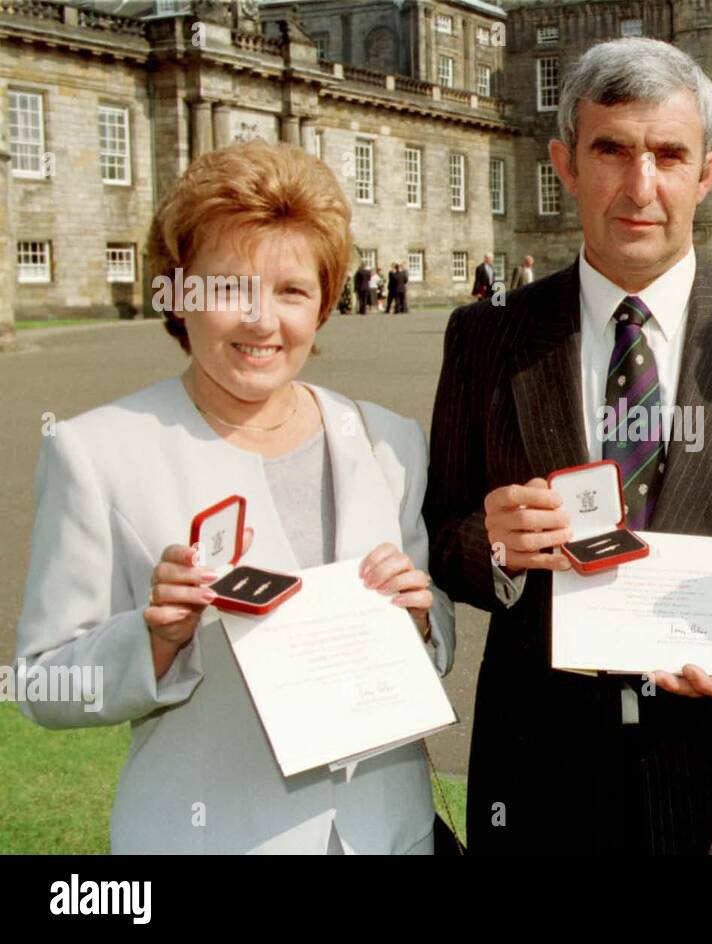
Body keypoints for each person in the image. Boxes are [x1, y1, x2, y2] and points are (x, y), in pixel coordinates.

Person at [423, 37, 712, 855]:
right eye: (610, 149)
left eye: (668, 154)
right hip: (540, 769)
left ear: (707, 172)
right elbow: (442, 533)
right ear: (565, 165)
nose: (639, 185)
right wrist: (494, 546)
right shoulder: (486, 336)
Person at [14, 140, 455, 854]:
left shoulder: (386, 440)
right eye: (228, 288)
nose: (260, 321)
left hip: (392, 834)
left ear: (323, 302)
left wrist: (419, 620)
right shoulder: (96, 451)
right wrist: (153, 640)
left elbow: (431, 633)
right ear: (180, 293)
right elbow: (41, 684)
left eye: (291, 291)